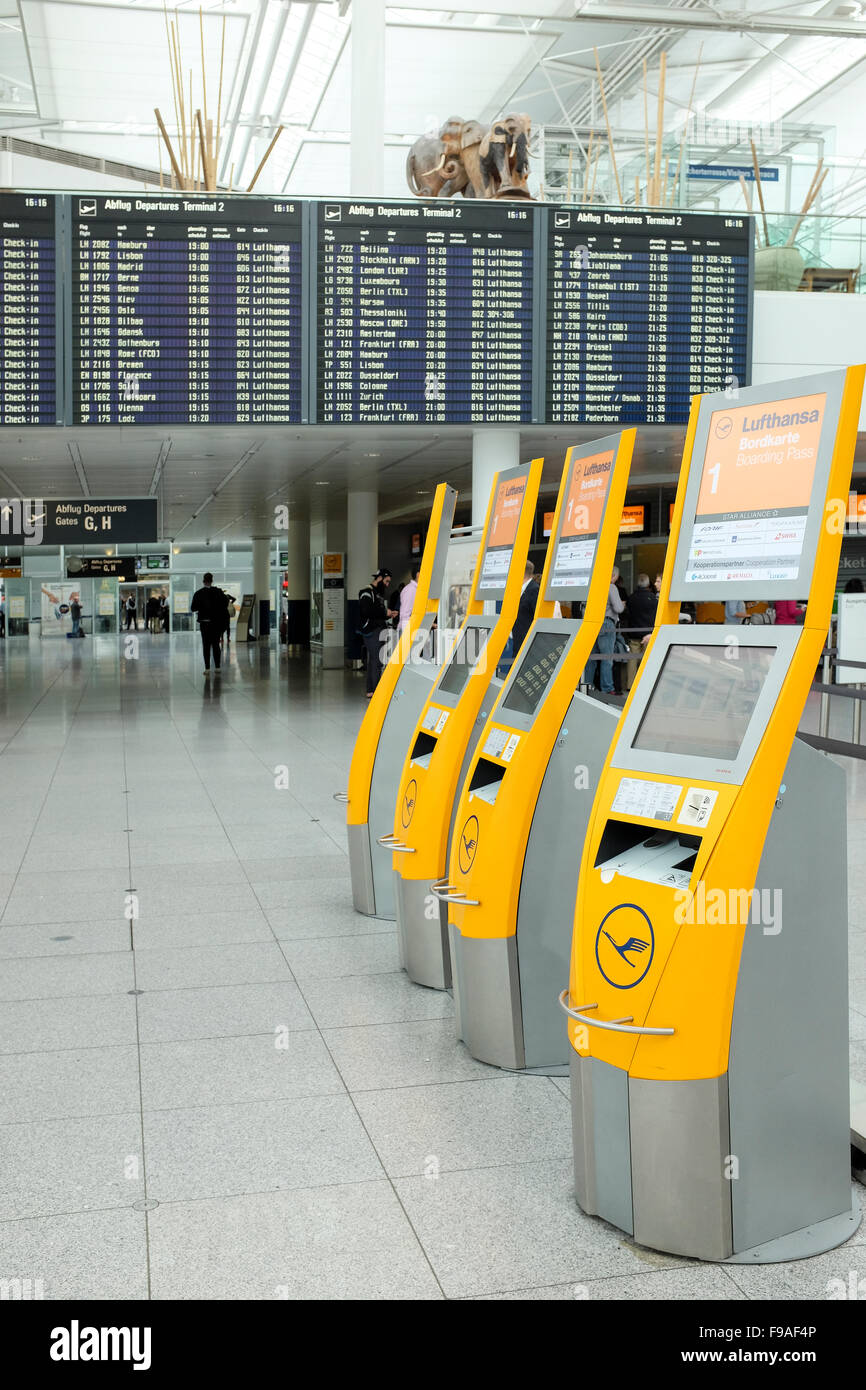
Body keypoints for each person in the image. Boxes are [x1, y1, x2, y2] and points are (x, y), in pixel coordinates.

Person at [585, 568, 625, 694]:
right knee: (606, 658)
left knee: (591, 659)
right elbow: (618, 608)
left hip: (592, 623)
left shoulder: (593, 586)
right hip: (606, 623)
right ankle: (607, 688)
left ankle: (587, 686)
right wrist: (622, 604)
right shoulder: (611, 587)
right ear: (614, 576)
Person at [358, 568, 396, 697]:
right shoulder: (366, 592)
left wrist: (388, 614)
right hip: (372, 632)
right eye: (386, 581)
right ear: (379, 578)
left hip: (378, 630)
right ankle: (376, 691)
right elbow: (367, 611)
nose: (387, 584)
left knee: (373, 660)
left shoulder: (377, 594)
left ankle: (371, 690)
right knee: (377, 661)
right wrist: (384, 613)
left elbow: (377, 613)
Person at [191, 572, 228, 676]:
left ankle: (207, 668)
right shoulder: (218, 592)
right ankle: (217, 667)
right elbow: (225, 604)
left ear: (203, 581)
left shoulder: (198, 593)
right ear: (212, 581)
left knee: (206, 645)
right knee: (216, 645)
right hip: (216, 623)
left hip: (205, 623)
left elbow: (193, 608)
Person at [623, 573, 656, 690]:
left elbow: (627, 614)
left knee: (632, 660)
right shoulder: (653, 598)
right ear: (648, 584)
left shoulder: (631, 598)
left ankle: (630, 685)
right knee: (646, 660)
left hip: (634, 633)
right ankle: (644, 685)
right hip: (648, 633)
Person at [510, 560, 539, 662]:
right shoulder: (520, 589)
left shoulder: (534, 589)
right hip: (518, 641)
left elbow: (537, 617)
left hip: (528, 644)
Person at [398, 567, 419, 632]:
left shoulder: (416, 590)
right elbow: (405, 616)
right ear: (418, 575)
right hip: (408, 632)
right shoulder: (410, 590)